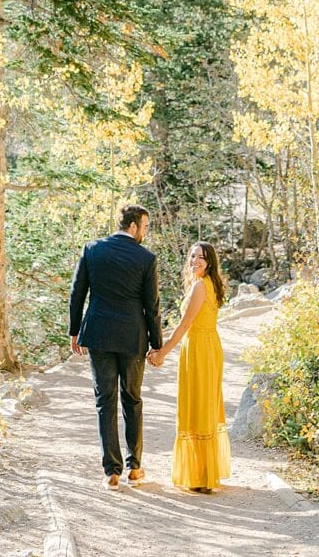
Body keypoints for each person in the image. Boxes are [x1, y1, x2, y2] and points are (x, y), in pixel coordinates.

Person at [69, 205, 162, 488]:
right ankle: (135, 466)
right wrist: (157, 344)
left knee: (104, 401)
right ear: (133, 226)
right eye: (145, 227)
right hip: (133, 338)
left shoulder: (92, 249)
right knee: (132, 399)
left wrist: (74, 331)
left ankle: (112, 470)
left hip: (98, 334)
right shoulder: (145, 258)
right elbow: (152, 306)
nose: (145, 232)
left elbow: (77, 293)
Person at [149, 242, 231, 493]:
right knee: (203, 404)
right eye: (193, 255)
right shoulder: (210, 283)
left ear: (210, 263)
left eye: (202, 258)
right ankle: (202, 473)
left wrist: (162, 352)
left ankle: (201, 475)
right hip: (206, 346)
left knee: (198, 405)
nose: (195, 260)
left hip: (199, 348)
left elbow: (184, 325)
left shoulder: (199, 286)